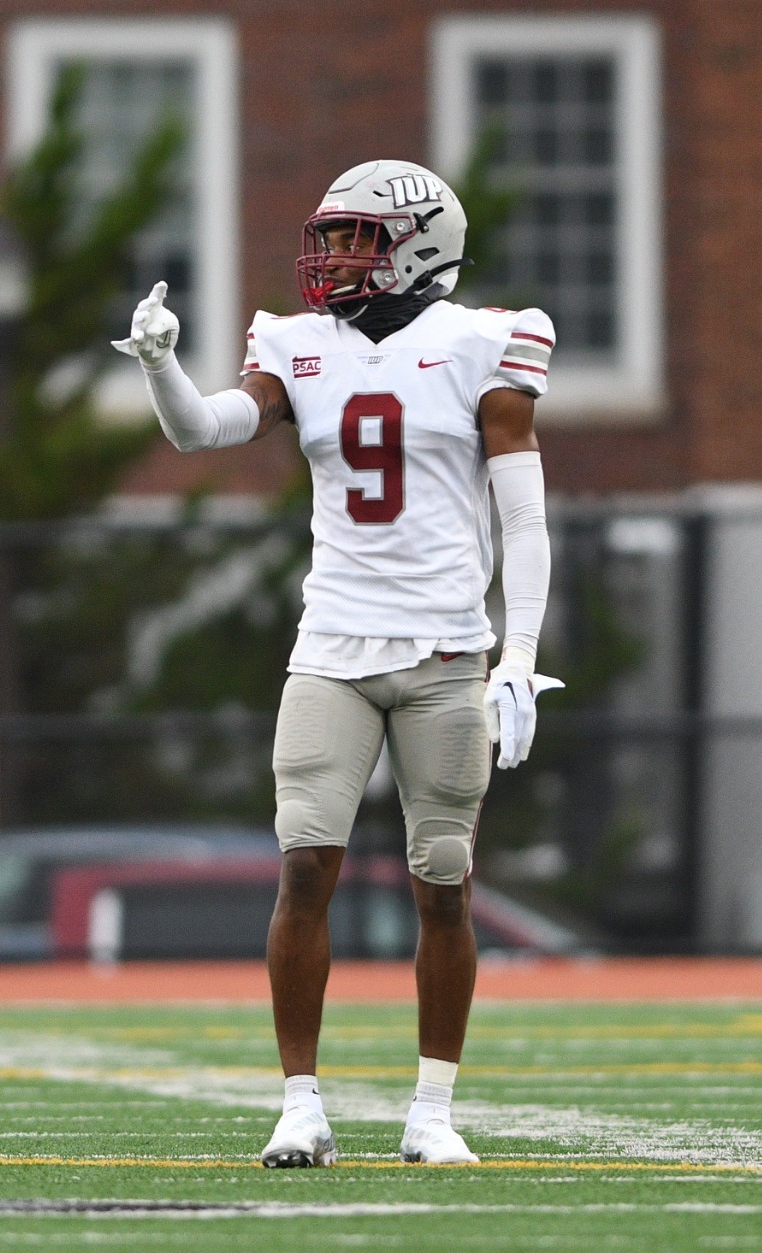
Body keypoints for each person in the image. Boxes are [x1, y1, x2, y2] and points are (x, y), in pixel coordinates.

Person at [112, 159, 558, 1167]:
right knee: (303, 866)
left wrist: (517, 653)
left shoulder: (483, 343)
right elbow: (204, 432)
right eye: (332, 237)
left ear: (417, 245)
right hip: (332, 647)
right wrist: (157, 366)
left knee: (442, 881)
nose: (333, 258)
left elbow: (522, 515)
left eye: (357, 238)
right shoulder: (297, 344)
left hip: (446, 648)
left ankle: (430, 1112)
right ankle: (299, 1105)